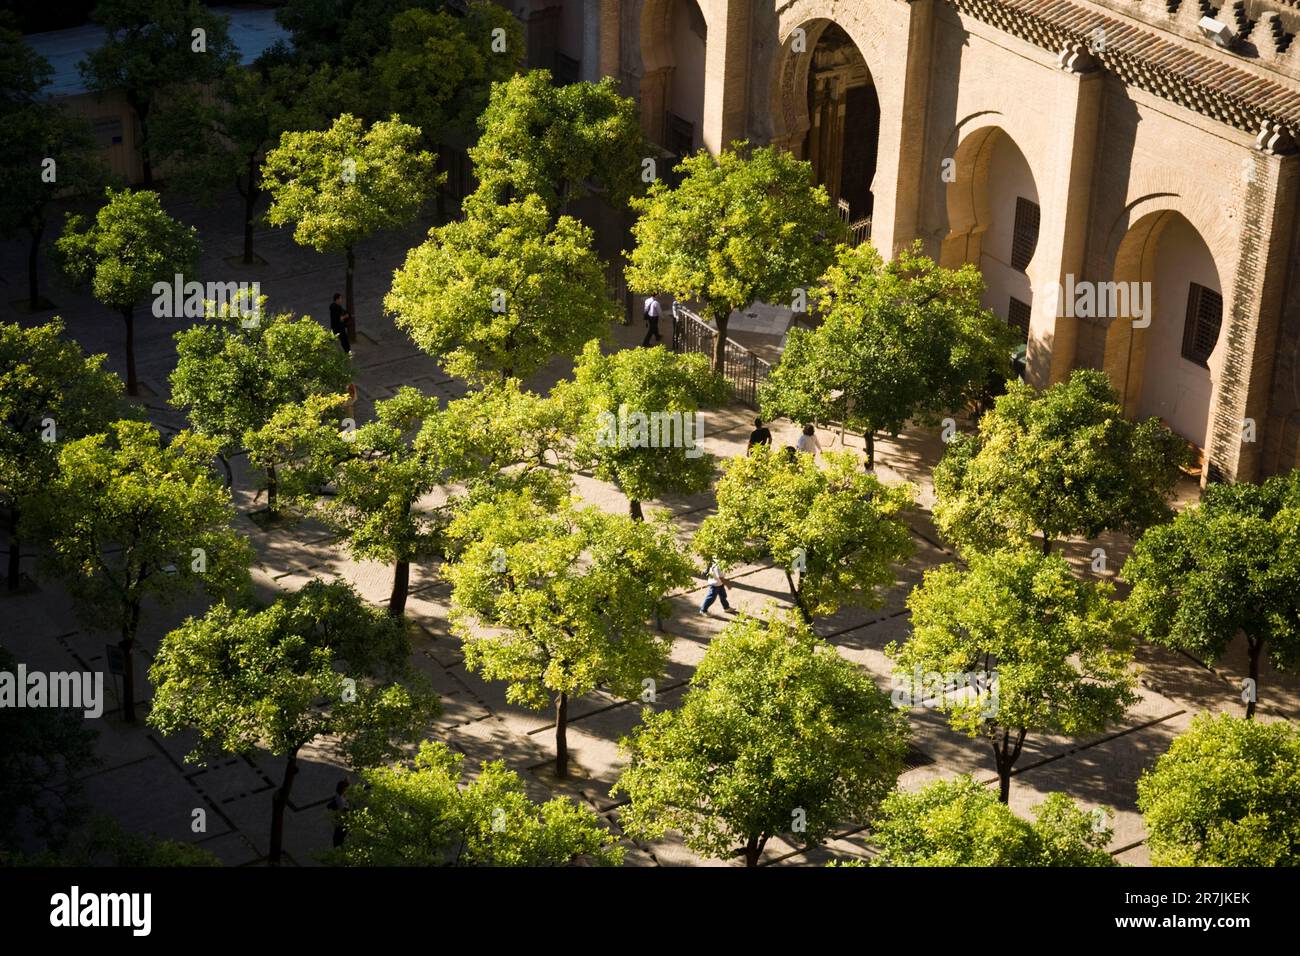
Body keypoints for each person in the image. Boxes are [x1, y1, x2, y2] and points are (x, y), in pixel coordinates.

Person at [327, 778, 350, 848]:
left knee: (339, 834)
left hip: (341, 818)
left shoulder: (340, 795)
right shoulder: (340, 798)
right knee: (339, 834)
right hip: (342, 819)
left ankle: (338, 846)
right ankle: (338, 846)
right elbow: (344, 809)